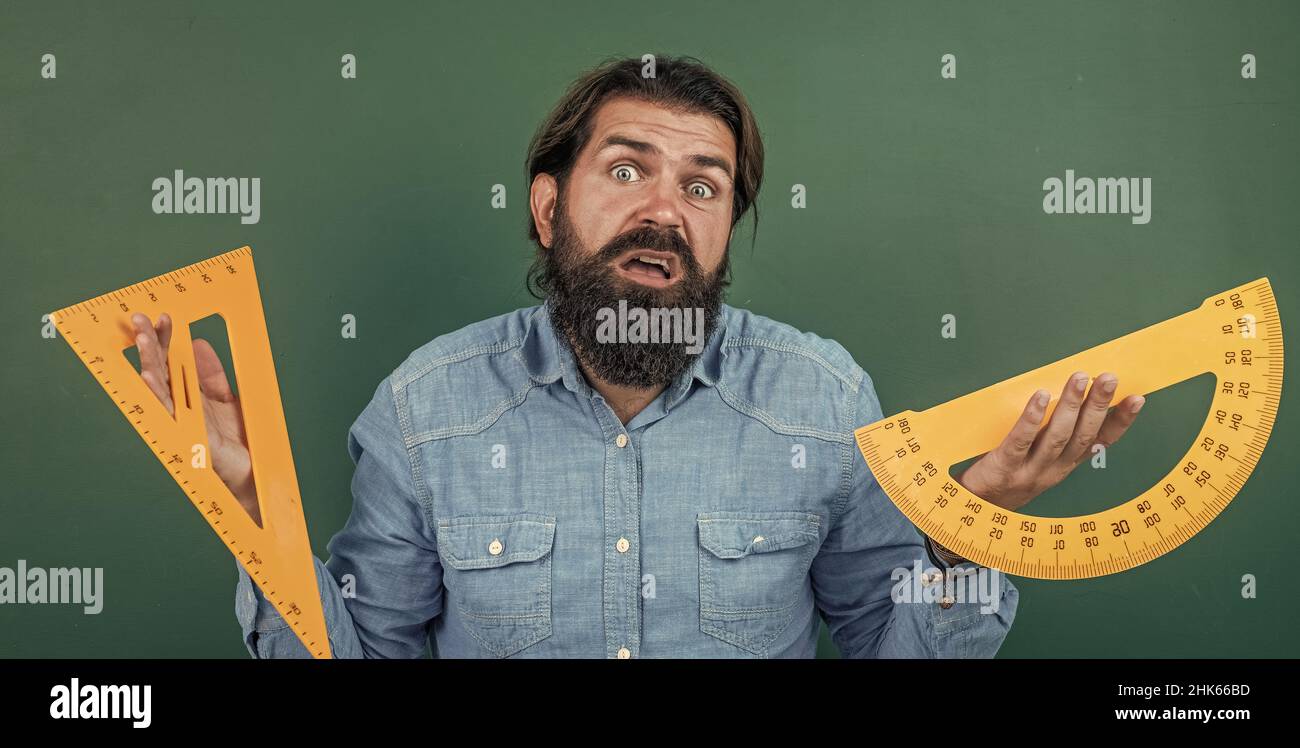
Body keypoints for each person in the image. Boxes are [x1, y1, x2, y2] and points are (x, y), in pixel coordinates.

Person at [128, 55, 1144, 658]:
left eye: (705, 187)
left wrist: (973, 533)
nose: (664, 208)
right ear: (545, 207)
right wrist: (252, 509)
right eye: (625, 170)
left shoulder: (822, 397)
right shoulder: (426, 404)